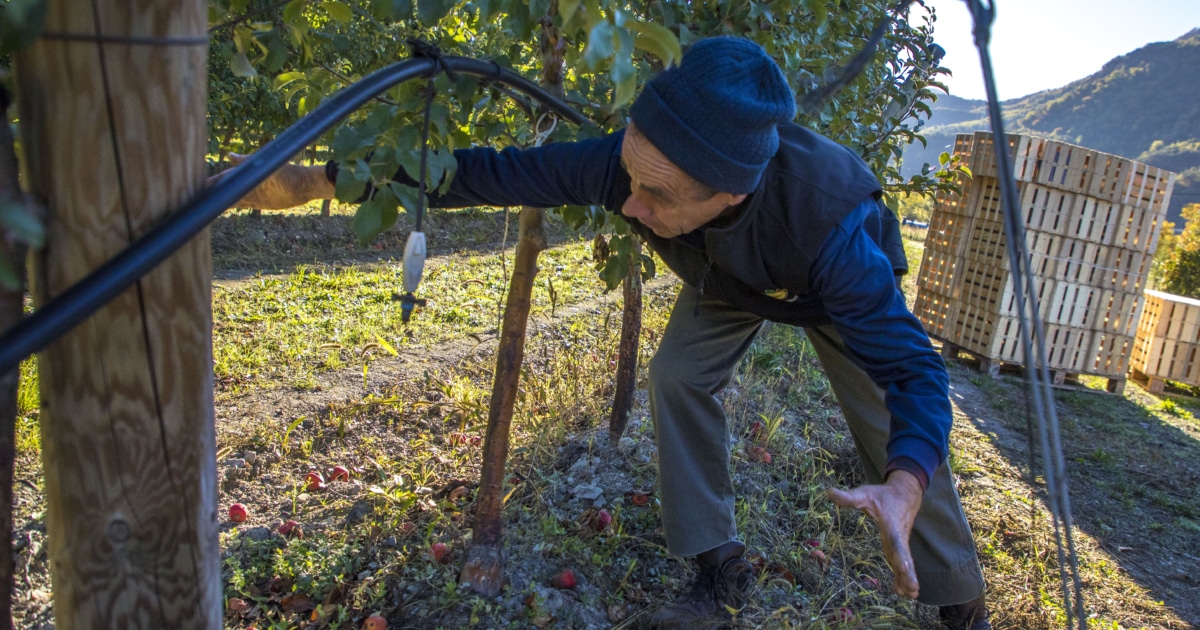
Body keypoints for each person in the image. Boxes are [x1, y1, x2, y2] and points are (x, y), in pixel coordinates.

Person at [229, 37, 992, 630]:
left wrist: (905, 482)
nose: (630, 206)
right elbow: (490, 172)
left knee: (895, 429)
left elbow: (916, 374)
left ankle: (959, 599)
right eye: (630, 177)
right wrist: (320, 180)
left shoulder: (833, 234)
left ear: (729, 193)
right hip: (726, 277)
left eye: (657, 196)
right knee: (677, 376)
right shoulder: (629, 169)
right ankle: (719, 569)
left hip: (817, 289)